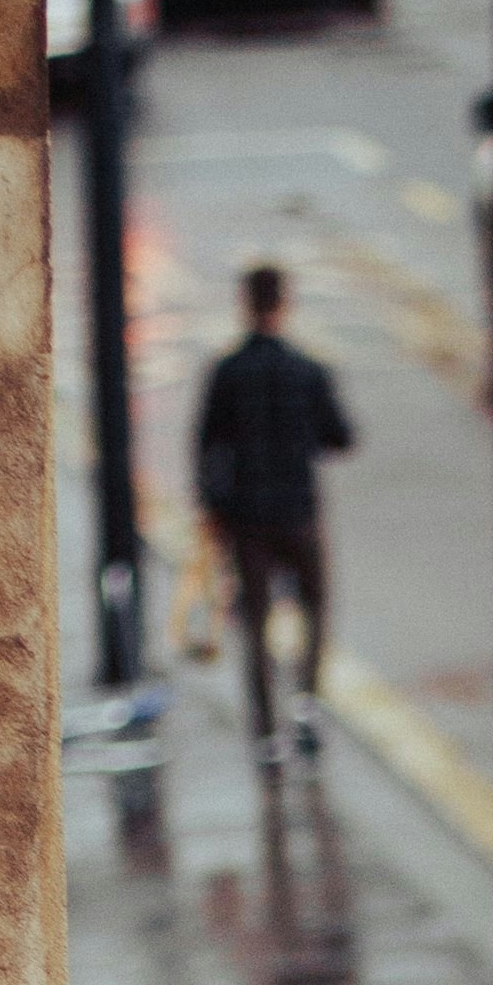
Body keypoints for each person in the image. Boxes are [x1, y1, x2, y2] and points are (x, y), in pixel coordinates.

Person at [192, 262, 353, 770]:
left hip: (248, 521)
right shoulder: (307, 370)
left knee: (256, 624)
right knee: (314, 610)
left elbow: (207, 446)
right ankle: (307, 707)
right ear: (284, 304)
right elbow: (340, 436)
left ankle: (266, 731)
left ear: (246, 304)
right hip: (298, 514)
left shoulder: (227, 372)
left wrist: (214, 508)